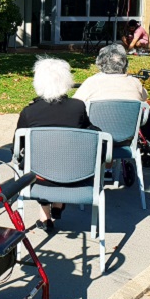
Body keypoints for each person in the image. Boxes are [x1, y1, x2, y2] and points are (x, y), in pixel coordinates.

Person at [15, 57, 92, 231]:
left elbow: (17, 146)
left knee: (37, 162)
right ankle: (57, 204)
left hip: (40, 178)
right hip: (75, 175)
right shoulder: (78, 107)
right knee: (63, 155)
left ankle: (45, 216)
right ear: (67, 81)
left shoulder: (30, 112)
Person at [74, 44, 148, 103]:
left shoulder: (91, 82)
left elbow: (76, 103)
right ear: (125, 64)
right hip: (129, 121)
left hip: (97, 121)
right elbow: (144, 98)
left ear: (99, 63)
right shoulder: (134, 82)